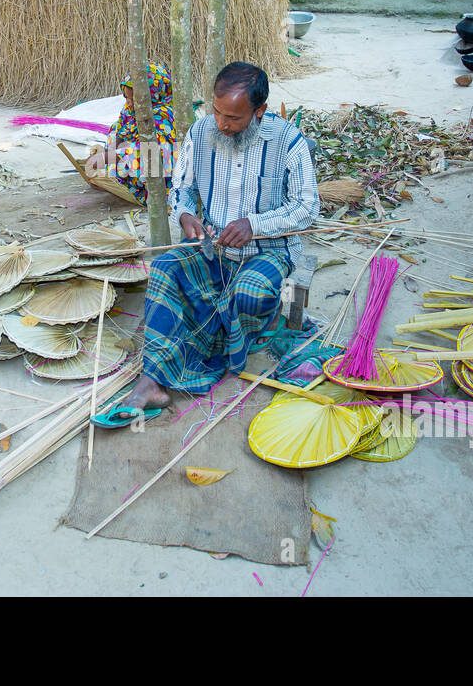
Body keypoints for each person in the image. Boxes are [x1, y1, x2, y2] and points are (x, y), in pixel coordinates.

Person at [93, 61, 320, 426]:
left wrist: (255, 225)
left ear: (259, 111)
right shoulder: (201, 133)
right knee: (166, 268)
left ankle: (209, 349)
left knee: (248, 293)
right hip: (212, 248)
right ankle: (151, 382)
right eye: (216, 111)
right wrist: (185, 215)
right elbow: (181, 188)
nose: (221, 124)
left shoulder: (288, 141)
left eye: (233, 117)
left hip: (268, 252)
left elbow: (308, 208)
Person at [84, 62, 177, 205]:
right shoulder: (129, 108)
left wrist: (107, 157)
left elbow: (148, 154)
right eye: (126, 97)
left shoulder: (164, 116)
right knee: (114, 129)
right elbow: (121, 133)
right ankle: (115, 179)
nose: (129, 103)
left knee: (145, 152)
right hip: (130, 160)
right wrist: (106, 158)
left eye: (134, 99)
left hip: (159, 177)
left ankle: (138, 190)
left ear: (153, 95)